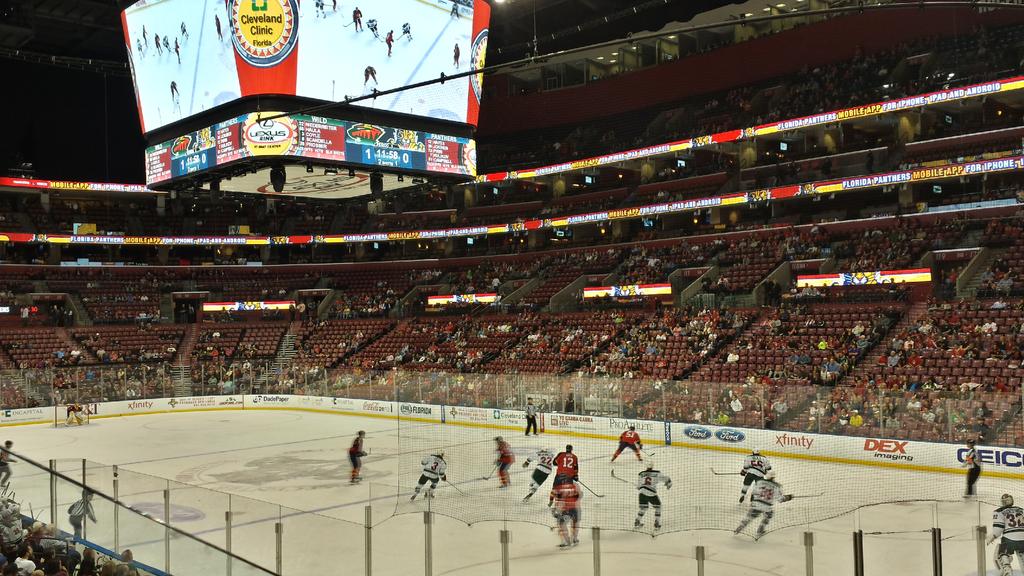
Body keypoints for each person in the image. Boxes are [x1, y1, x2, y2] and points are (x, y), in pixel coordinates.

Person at [734, 470, 792, 539]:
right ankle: (760, 530)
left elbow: (754, 492)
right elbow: (780, 499)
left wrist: (753, 502)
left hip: (756, 504)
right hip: (767, 506)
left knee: (749, 517)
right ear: (774, 477)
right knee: (769, 515)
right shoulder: (777, 486)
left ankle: (740, 527)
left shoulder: (760, 482)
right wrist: (788, 497)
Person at [988, 493, 1024, 576]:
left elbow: (998, 529)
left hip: (1009, 538)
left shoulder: (998, 511)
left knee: (1000, 554)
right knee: (1022, 553)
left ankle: (1007, 570)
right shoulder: (1021, 510)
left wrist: (992, 536)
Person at [634, 462, 671, 530]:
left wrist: (639, 487)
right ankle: (657, 523)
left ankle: (637, 521)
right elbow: (666, 478)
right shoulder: (657, 473)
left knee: (643, 508)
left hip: (642, 493)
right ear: (652, 466)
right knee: (658, 507)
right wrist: (669, 483)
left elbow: (639, 486)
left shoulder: (641, 474)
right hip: (651, 493)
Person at [550, 479, 581, 548]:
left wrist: (556, 510)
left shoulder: (558, 489)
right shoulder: (573, 486)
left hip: (566, 510)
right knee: (574, 524)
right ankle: (574, 540)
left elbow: (558, 500)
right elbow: (578, 496)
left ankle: (567, 542)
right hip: (574, 509)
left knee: (562, 524)